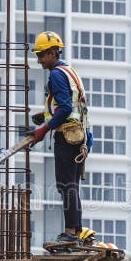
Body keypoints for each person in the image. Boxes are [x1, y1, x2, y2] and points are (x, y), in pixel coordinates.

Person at [27, 31, 90, 245]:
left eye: (42, 55)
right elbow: (71, 105)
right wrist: (44, 115)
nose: (39, 60)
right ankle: (76, 231)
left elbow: (65, 108)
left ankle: (71, 232)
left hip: (66, 136)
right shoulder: (69, 71)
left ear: (53, 53)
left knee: (66, 184)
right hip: (78, 135)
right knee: (71, 185)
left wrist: (43, 130)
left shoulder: (55, 74)